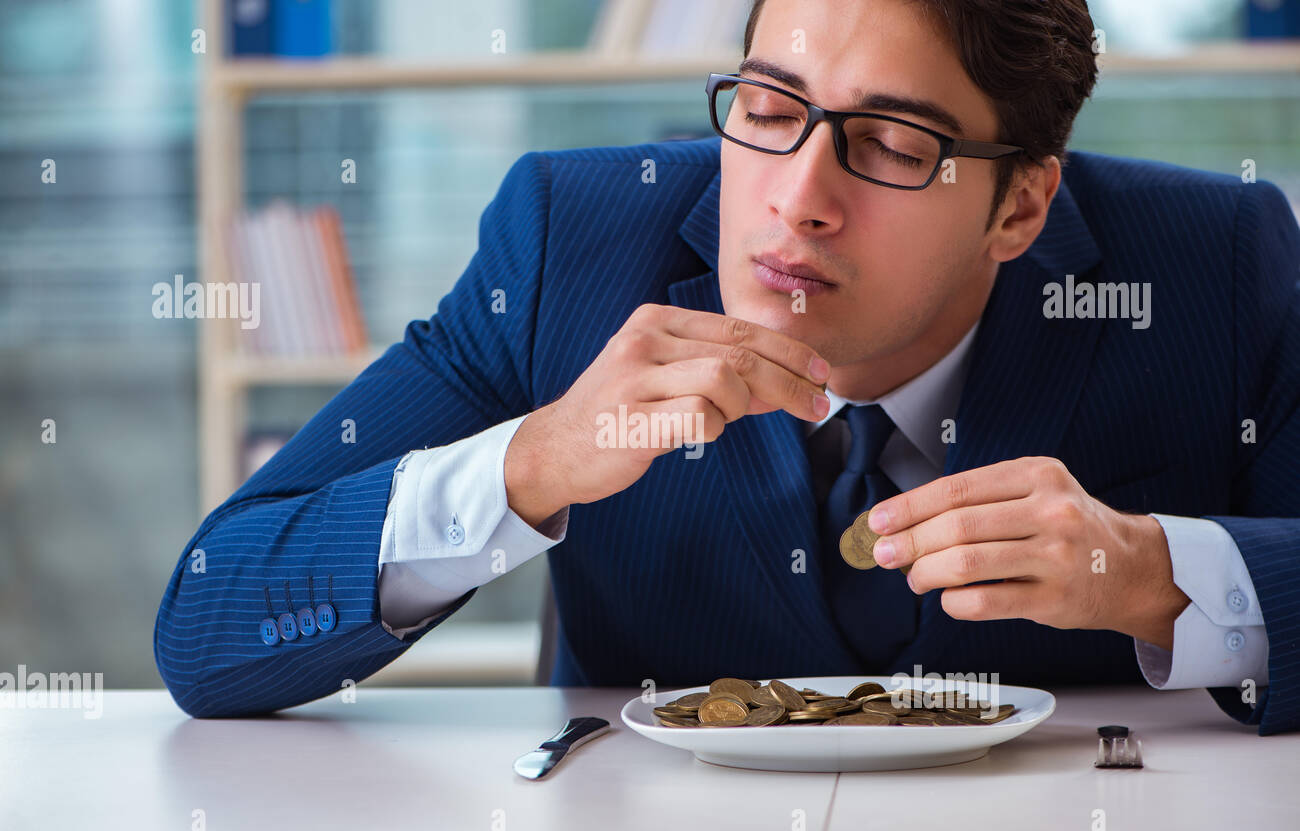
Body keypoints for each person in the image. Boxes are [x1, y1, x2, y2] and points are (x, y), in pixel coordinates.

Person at [155, 0, 1300, 733]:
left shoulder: (1214, 263)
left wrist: (1157, 575)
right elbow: (208, 625)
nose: (795, 200)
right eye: (765, 108)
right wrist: (532, 461)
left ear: (1021, 204)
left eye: (894, 147)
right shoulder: (574, 243)